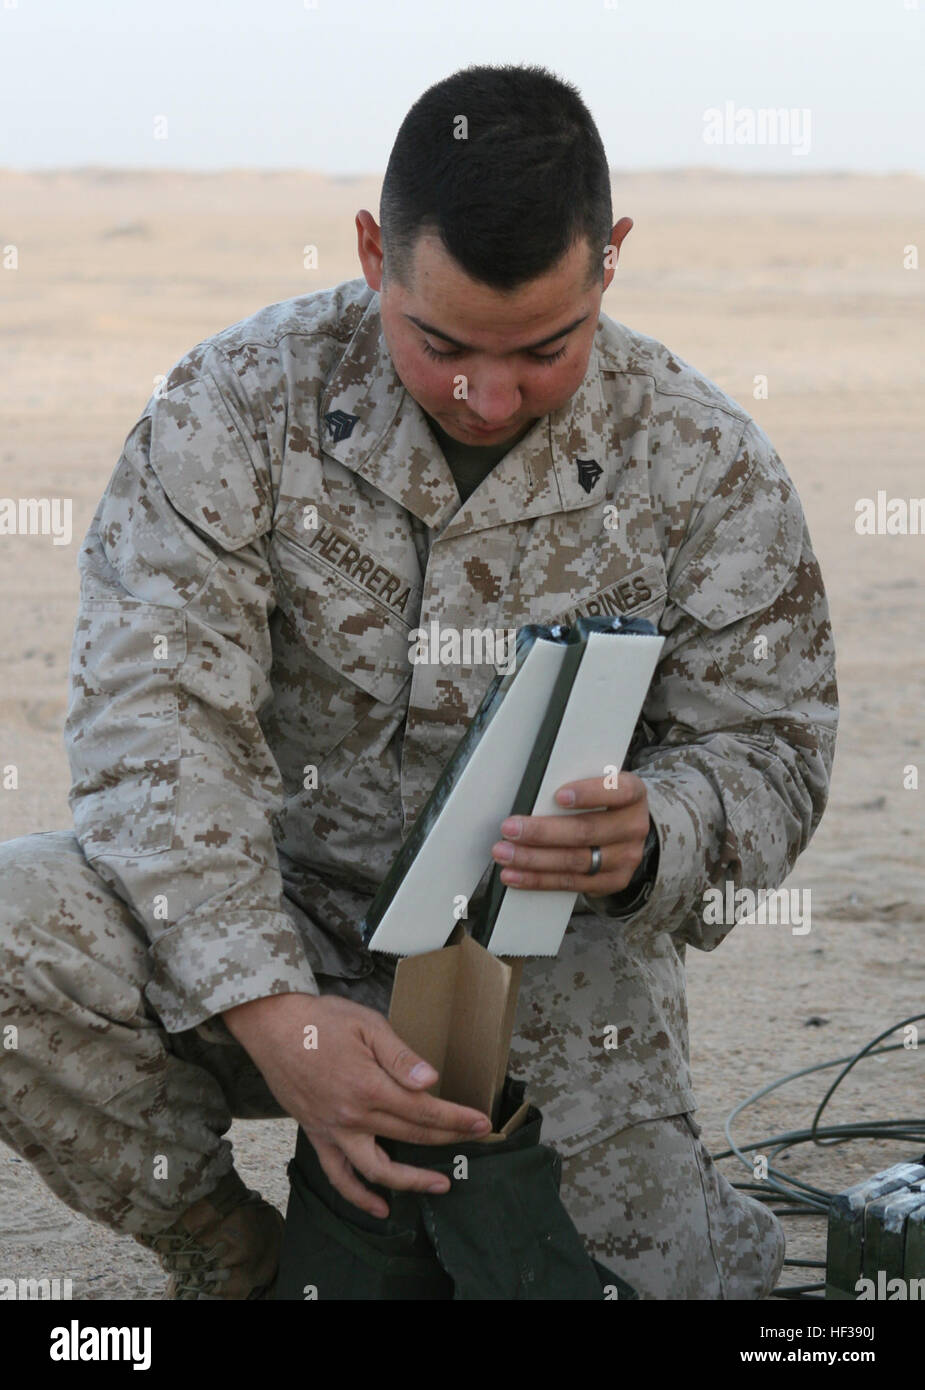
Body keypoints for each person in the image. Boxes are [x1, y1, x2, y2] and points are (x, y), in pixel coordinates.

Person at [0, 63, 837, 1300]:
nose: (486, 397)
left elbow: (774, 745)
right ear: (368, 254)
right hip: (269, 917)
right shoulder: (231, 411)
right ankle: (241, 1265)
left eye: (545, 351)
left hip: (543, 967)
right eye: (439, 343)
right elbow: (154, 739)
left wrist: (660, 831)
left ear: (609, 260)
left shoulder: (699, 457)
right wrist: (270, 1010)